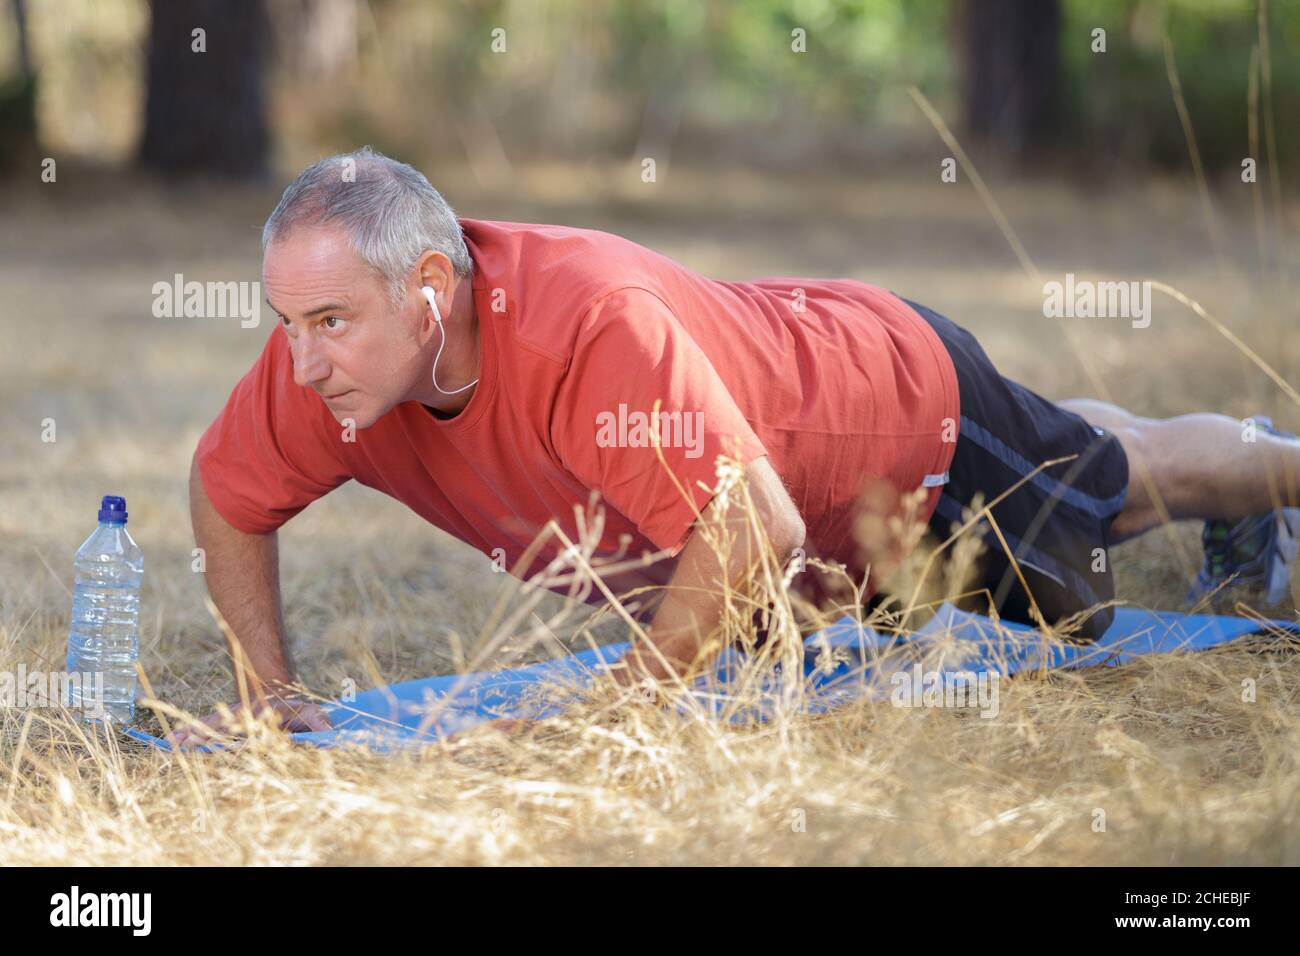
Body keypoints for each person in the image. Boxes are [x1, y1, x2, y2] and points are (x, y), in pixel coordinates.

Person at [165, 147, 1300, 748]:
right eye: (287, 325)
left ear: (426, 290)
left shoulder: (585, 326)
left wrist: (622, 706)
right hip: (781, 427)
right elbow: (223, 494)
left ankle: (1266, 471)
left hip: (895, 423)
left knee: (1127, 497)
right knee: (1094, 456)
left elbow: (755, 523)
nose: (301, 364)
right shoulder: (331, 364)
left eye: (327, 325)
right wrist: (269, 690)